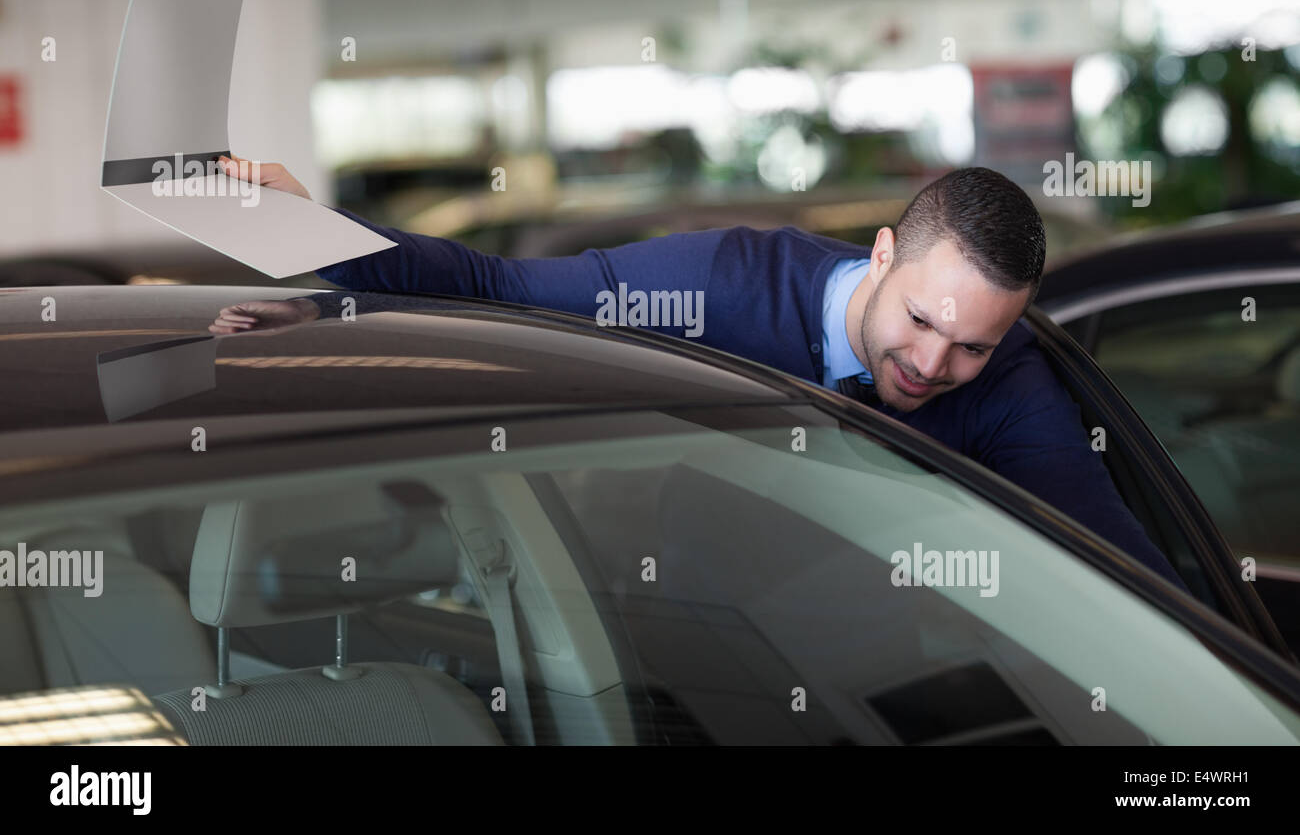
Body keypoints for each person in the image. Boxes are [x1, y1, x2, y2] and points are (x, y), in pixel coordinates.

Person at [210, 155, 1188, 592]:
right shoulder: (715, 285)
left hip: (884, 683)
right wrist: (319, 250)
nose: (935, 363)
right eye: (922, 320)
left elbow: (1123, 573)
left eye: (971, 344)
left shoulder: (1008, 384)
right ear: (884, 254)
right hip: (688, 647)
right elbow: (494, 286)